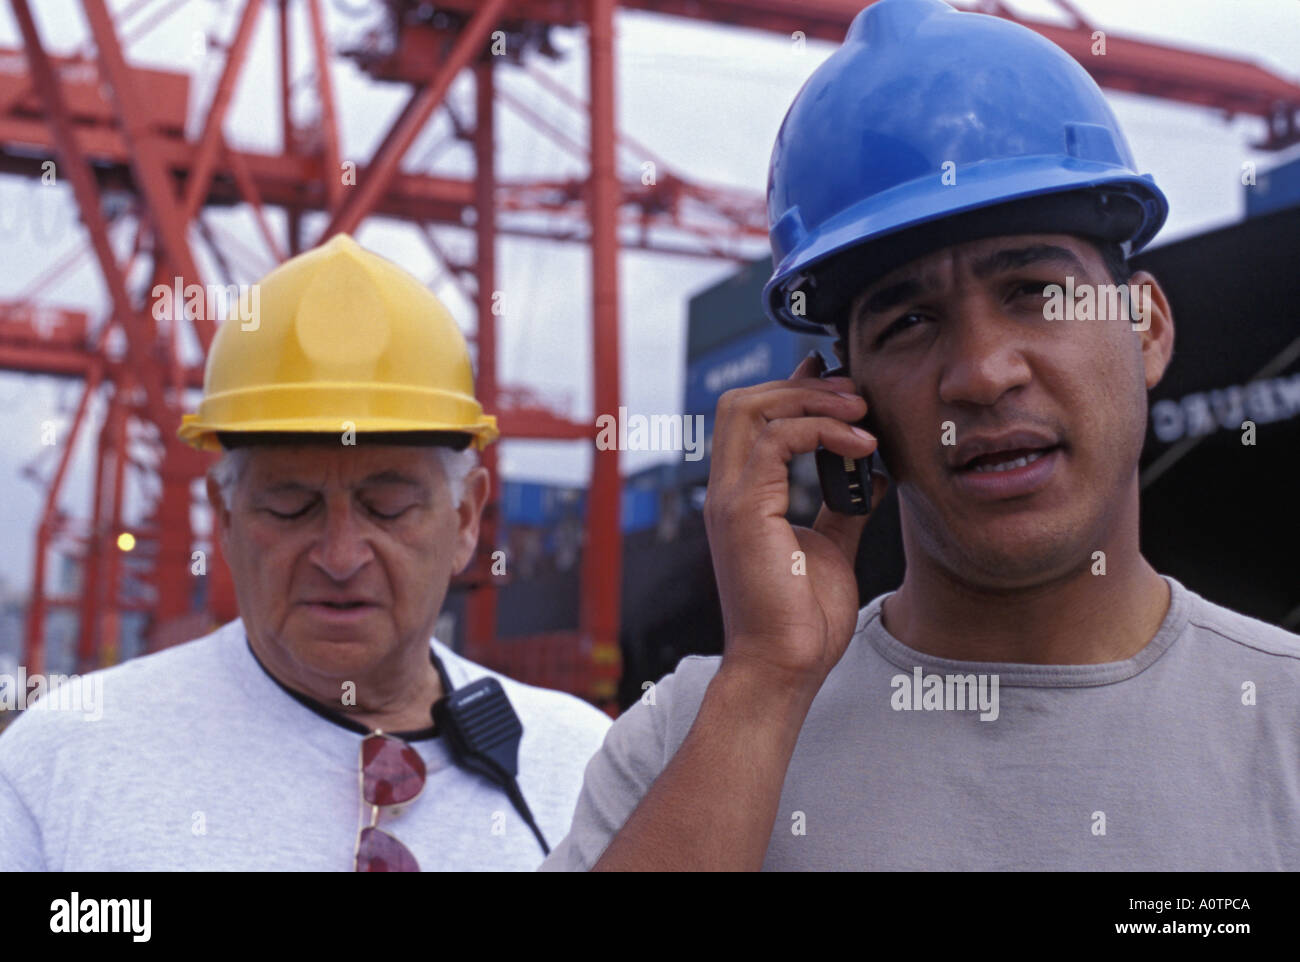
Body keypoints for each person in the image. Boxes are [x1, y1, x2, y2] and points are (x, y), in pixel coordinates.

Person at [540, 0, 1300, 871]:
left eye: (1035, 293)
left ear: (1148, 328)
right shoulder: (690, 738)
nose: (981, 373)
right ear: (839, 402)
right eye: (908, 322)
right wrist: (767, 685)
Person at [0, 234, 610, 871]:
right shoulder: (60, 764)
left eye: (387, 507)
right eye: (292, 506)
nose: (341, 556)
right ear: (226, 516)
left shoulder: (586, 769)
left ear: (464, 518)